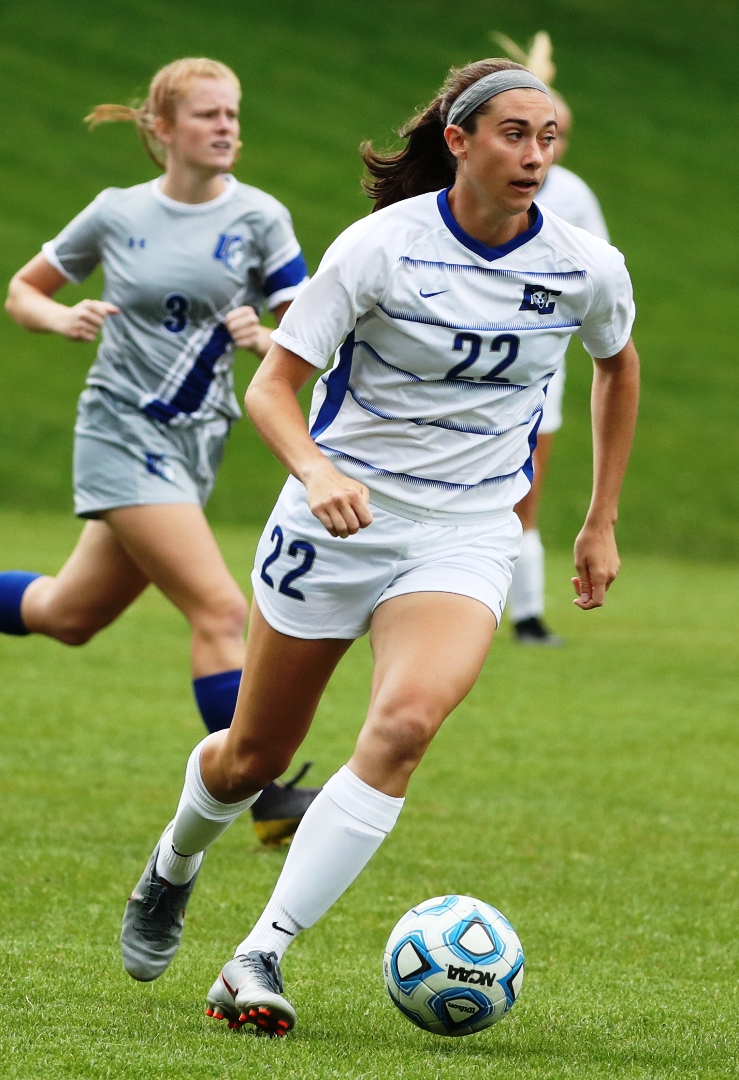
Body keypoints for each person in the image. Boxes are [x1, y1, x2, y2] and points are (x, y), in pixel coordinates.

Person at [113, 58, 640, 1035]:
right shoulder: (377, 250)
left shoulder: (582, 265)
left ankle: (259, 953)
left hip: (465, 532)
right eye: (514, 135)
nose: (535, 156)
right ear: (460, 141)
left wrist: (599, 517)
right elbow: (273, 385)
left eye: (549, 138)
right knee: (251, 757)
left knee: (403, 729)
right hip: (339, 521)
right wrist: (317, 473)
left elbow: (617, 366)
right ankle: (173, 865)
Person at [0, 58, 322, 844]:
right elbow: (21, 290)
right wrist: (58, 318)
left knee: (71, 613)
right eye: (208, 115)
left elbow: (310, 333)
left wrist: (265, 336)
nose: (226, 128)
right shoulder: (116, 214)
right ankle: (261, 794)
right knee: (218, 608)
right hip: (118, 431)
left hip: (194, 441)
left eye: (233, 114)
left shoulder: (262, 219)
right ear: (162, 129)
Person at [492, 30, 613, 646]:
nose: (544, 147)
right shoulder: (479, 190)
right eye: (530, 132)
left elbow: (601, 283)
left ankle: (528, 614)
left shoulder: (573, 198)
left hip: (542, 368)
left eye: (556, 133)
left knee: (526, 490)